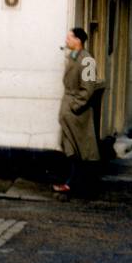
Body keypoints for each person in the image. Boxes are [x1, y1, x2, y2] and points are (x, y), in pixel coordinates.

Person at [53, 27, 103, 194]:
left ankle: (74, 184)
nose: (66, 40)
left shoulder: (87, 60)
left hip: (77, 114)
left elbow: (88, 88)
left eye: (69, 37)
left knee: (79, 149)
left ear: (78, 40)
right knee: (70, 147)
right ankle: (72, 182)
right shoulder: (73, 57)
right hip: (69, 112)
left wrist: (75, 106)